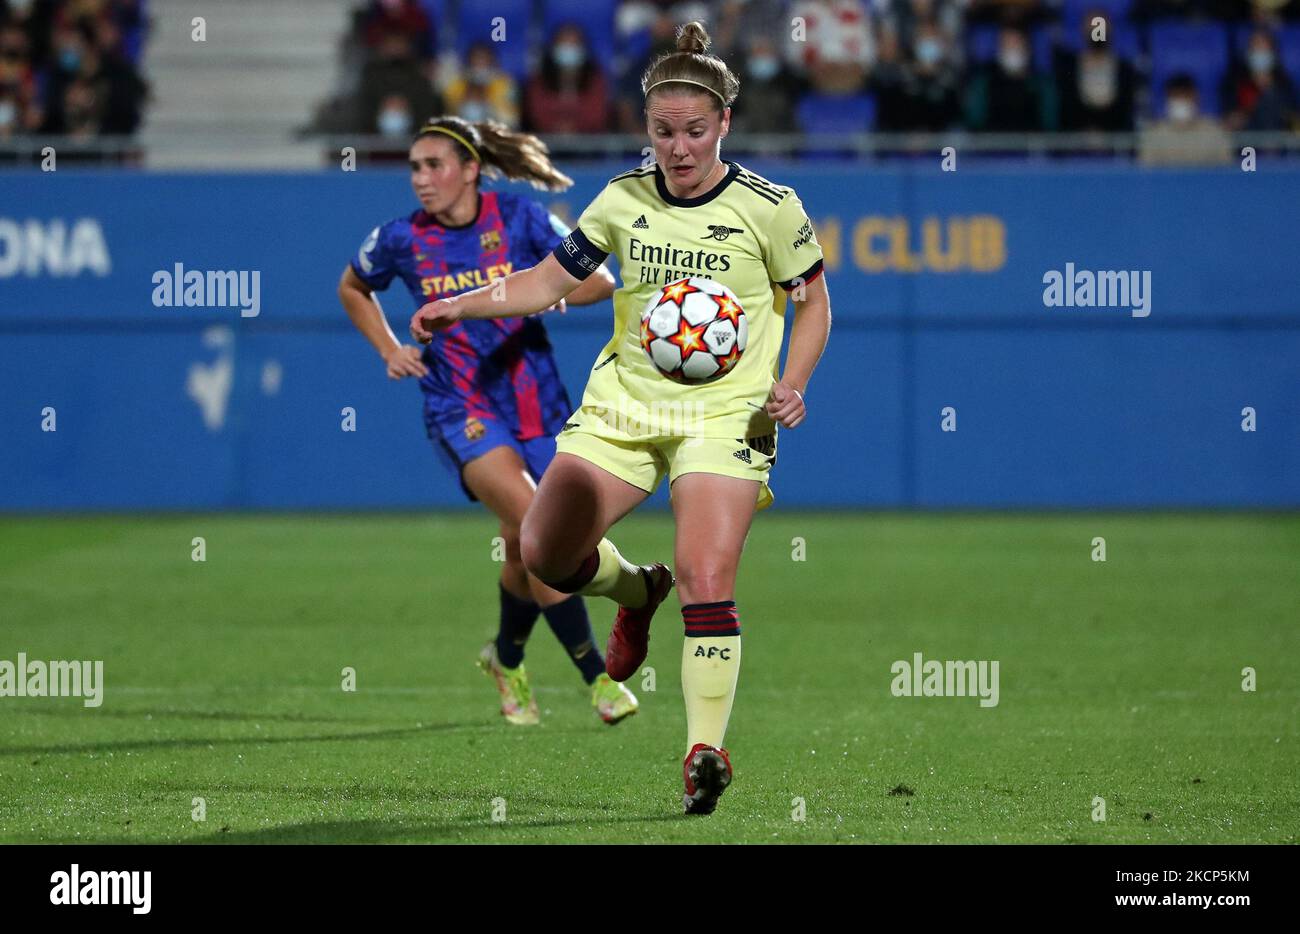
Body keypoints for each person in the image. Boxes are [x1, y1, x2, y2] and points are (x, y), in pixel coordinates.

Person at [410, 23, 833, 815]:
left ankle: (703, 750)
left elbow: (814, 305)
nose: (678, 148)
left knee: (709, 577)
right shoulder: (621, 201)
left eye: (695, 132)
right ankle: (637, 594)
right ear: (648, 127)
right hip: (624, 407)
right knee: (543, 549)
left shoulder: (771, 210)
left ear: (724, 126)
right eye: (664, 132)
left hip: (725, 415)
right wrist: (459, 304)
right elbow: (544, 282)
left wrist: (794, 380)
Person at [339, 116, 638, 727]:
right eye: (415, 168)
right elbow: (353, 286)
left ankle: (506, 657)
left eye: (435, 165)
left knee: (519, 545)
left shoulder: (521, 218)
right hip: (461, 406)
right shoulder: (401, 239)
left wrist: (556, 289)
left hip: (538, 405)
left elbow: (599, 281)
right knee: (540, 528)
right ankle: (598, 679)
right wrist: (390, 348)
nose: (422, 179)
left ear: (471, 169)